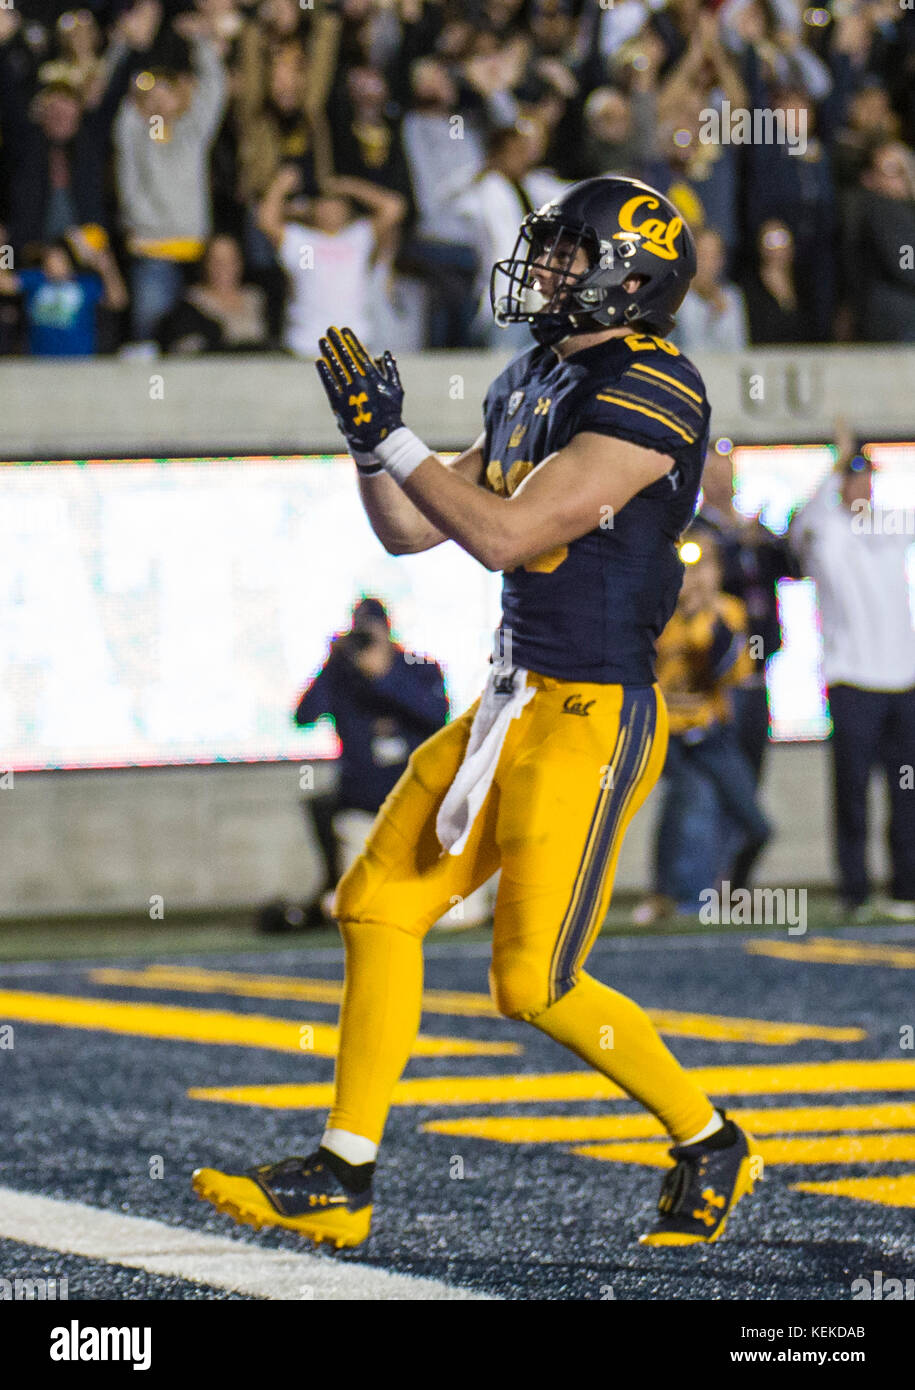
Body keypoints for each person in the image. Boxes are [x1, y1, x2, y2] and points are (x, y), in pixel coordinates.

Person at [194, 174, 760, 1250]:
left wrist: (401, 441)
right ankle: (344, 1170)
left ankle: (707, 1134)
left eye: (566, 256)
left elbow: (504, 535)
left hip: (593, 713)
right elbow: (411, 530)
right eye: (546, 252)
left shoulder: (657, 388)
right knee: (375, 905)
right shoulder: (535, 375)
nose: (543, 270)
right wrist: (374, 448)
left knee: (530, 982)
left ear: (627, 280)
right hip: (511, 697)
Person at [790, 434, 915, 922]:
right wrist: (834, 464)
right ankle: (855, 892)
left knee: (906, 793)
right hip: (851, 682)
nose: (861, 487)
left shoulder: (889, 526)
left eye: (867, 478)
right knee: (853, 795)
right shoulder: (826, 532)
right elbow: (803, 523)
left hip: (904, 682)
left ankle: (906, 888)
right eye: (854, 478)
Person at [288, 597, 449, 931]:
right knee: (357, 910)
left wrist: (383, 678)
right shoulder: (341, 676)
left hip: (417, 809)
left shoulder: (419, 669)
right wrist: (331, 663)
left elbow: (437, 717)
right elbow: (303, 716)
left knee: (452, 915)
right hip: (363, 811)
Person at [633, 533, 771, 923]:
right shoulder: (656, 613)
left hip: (710, 730)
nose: (695, 577)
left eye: (704, 566)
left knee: (756, 826)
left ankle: (733, 893)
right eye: (688, 568)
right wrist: (681, 612)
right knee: (692, 798)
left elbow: (733, 671)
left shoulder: (729, 613)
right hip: (666, 730)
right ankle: (676, 899)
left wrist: (704, 619)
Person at [257, 165, 406, 356]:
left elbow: (393, 207)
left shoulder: (359, 237)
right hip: (306, 342)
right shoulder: (300, 240)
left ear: (347, 208)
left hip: (354, 343)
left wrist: (348, 185)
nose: (330, 208)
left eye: (337, 203)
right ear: (313, 207)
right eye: (324, 203)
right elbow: (266, 221)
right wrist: (280, 186)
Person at [0, 229, 127, 356]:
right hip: (39, 360)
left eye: (57, 258)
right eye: (48, 257)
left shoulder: (86, 284)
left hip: (78, 361)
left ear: (69, 260)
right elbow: (4, 284)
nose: (51, 262)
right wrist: (2, 248)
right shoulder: (36, 279)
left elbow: (118, 301)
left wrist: (107, 268)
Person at [156, 234, 269, 353]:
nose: (223, 267)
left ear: (240, 262)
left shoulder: (256, 298)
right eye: (216, 261)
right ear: (205, 263)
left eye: (230, 260)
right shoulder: (190, 306)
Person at [672, 226, 748, 352]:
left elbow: (739, 347)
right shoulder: (675, 299)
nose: (708, 264)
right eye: (702, 256)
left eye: (714, 256)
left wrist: (719, 315)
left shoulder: (732, 296)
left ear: (722, 261)